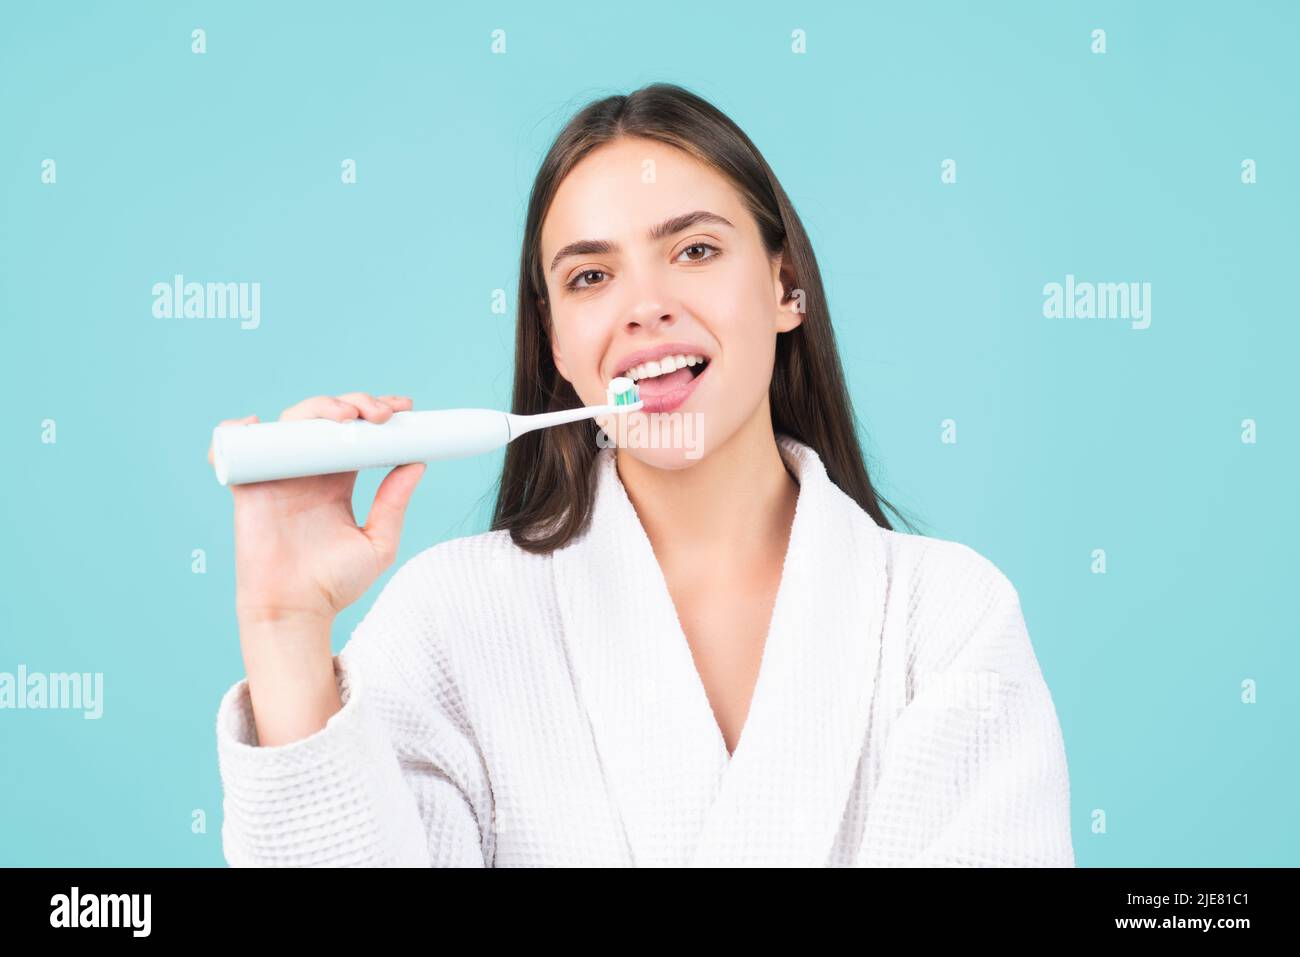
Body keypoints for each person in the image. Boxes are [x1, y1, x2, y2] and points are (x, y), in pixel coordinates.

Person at [210, 82, 1074, 867]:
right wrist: (284, 625)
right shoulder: (447, 624)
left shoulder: (949, 620)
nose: (644, 304)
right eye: (591, 275)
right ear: (557, 343)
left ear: (785, 285)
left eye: (694, 250)